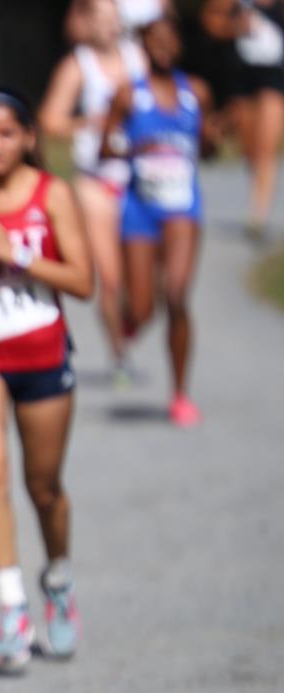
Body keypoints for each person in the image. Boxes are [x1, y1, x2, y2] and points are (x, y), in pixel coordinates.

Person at [0, 87, 95, 674]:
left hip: (44, 353)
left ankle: (57, 577)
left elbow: (84, 283)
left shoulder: (55, 197)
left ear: (29, 136)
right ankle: (11, 608)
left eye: (6, 134)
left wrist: (18, 256)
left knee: (44, 486)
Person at [103, 17, 220, 426]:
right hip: (139, 207)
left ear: (180, 45)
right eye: (155, 41)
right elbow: (106, 146)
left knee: (176, 295)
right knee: (141, 306)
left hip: (183, 207)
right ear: (144, 47)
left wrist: (212, 138)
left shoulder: (197, 93)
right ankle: (131, 321)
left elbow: (208, 150)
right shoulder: (128, 95)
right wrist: (134, 146)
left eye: (170, 39)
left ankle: (180, 394)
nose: (164, 47)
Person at [43, 0, 147, 382]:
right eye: (99, 19)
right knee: (111, 277)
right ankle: (119, 355)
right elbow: (50, 120)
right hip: (95, 181)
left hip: (139, 178)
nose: (106, 27)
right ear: (87, 23)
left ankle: (133, 321)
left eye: (112, 19)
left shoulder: (141, 59)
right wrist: (88, 122)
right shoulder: (78, 65)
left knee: (146, 279)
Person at [197, 0, 284, 240]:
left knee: (266, 149)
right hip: (242, 78)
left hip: (273, 78)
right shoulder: (235, 5)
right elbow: (210, 24)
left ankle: (258, 215)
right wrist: (235, 26)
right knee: (250, 149)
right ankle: (256, 193)